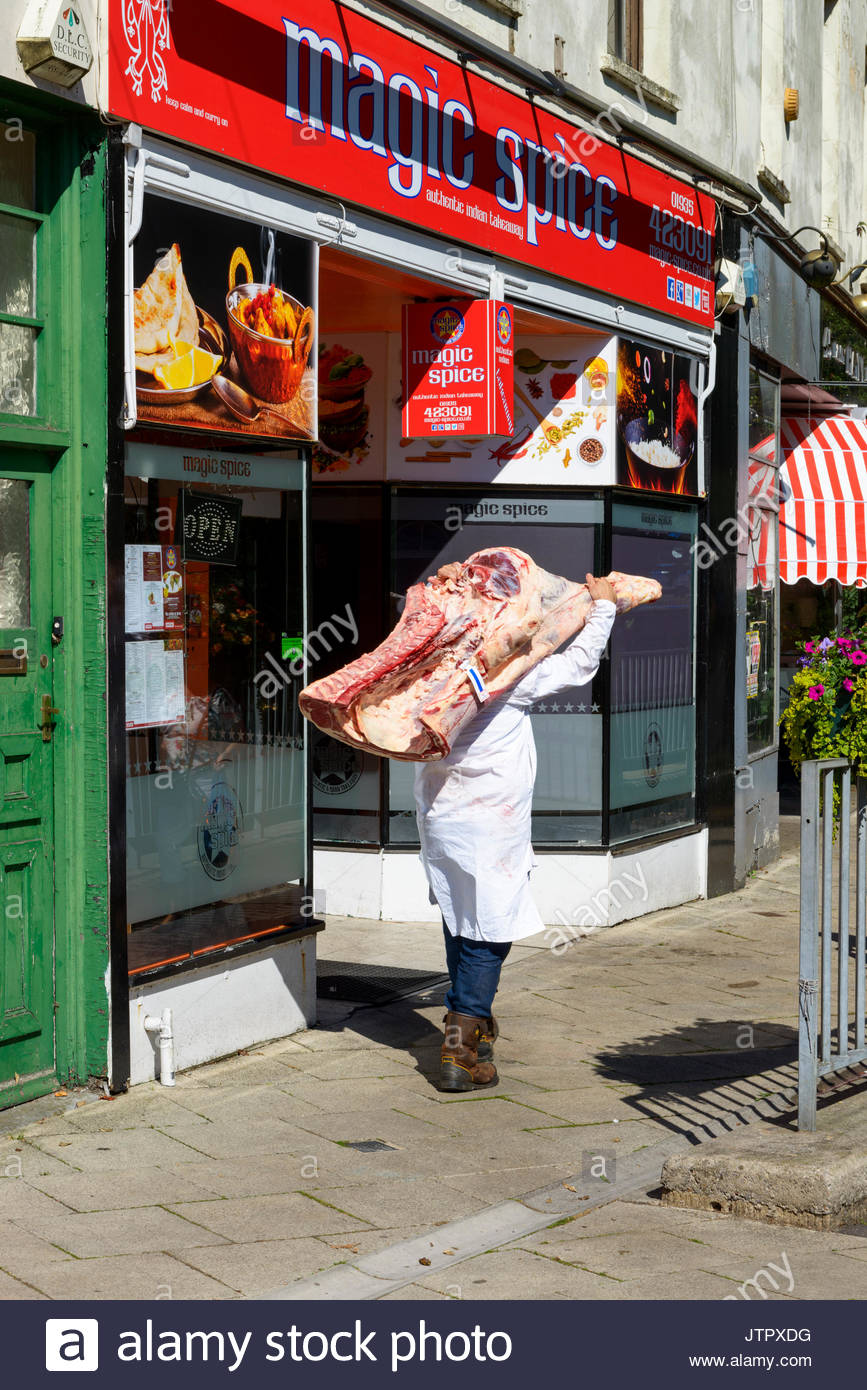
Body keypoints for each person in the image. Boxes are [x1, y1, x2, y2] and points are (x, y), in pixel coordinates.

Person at [414, 573, 618, 1091]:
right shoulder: (509, 674)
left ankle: (474, 1033)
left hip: (441, 819)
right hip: (491, 825)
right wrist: (604, 608)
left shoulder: (435, 668)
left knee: (462, 918)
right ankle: (459, 1048)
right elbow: (579, 664)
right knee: (491, 931)